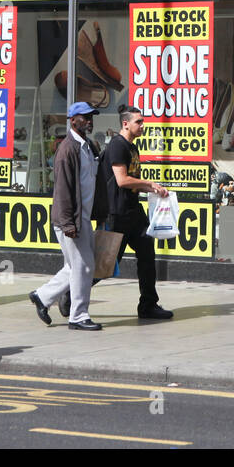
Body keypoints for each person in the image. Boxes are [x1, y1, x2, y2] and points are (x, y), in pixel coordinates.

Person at [30, 102, 103, 330]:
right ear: (72, 120)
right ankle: (78, 316)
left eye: (91, 117)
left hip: (82, 216)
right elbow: (61, 189)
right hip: (70, 218)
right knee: (84, 266)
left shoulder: (88, 146)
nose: (90, 121)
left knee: (76, 266)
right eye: (85, 117)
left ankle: (42, 296)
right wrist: (68, 222)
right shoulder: (67, 149)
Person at [100, 105, 175, 320]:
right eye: (138, 122)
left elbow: (133, 182)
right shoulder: (117, 145)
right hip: (117, 212)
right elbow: (122, 180)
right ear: (126, 124)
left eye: (142, 121)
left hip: (134, 211)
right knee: (107, 263)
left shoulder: (132, 148)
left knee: (147, 254)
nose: (143, 125)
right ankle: (69, 293)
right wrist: (150, 183)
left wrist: (153, 188)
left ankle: (148, 304)